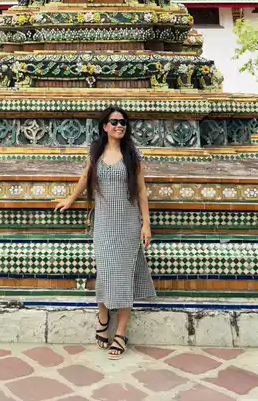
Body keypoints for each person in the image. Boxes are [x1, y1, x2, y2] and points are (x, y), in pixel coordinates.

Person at [55, 105, 155, 358]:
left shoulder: (132, 154)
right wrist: (70, 200)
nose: (119, 126)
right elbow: (84, 179)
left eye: (123, 122)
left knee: (124, 277)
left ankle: (120, 332)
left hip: (128, 223)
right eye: (114, 122)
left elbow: (142, 190)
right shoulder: (96, 152)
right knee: (105, 271)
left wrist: (146, 224)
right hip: (104, 224)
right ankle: (102, 317)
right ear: (105, 126)